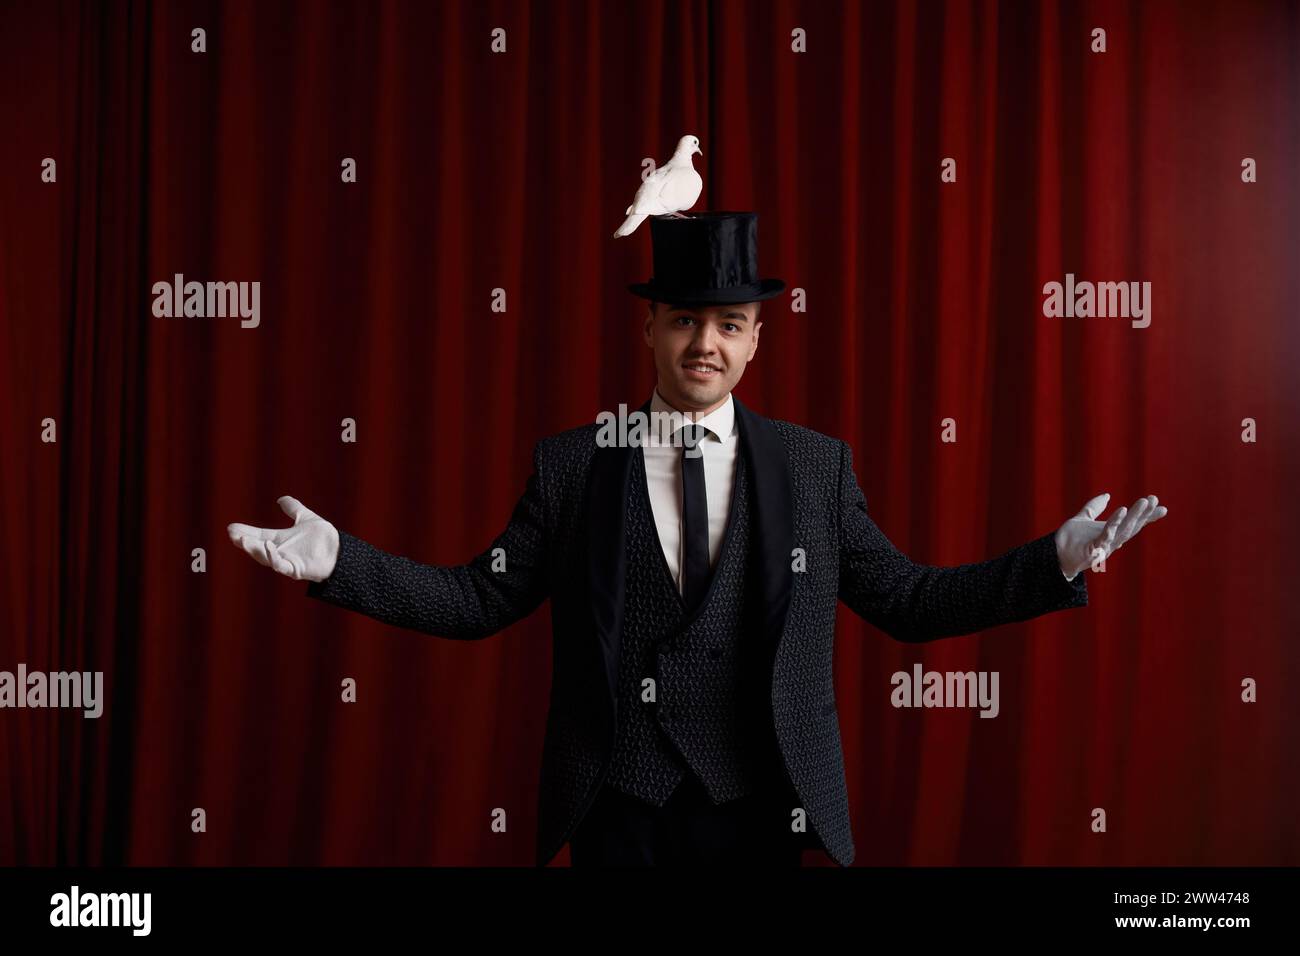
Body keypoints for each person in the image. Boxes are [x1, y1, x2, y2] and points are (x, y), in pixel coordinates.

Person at [227, 211, 1167, 867]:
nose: (704, 344)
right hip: (618, 810)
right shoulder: (574, 465)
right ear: (649, 331)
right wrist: (341, 562)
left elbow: (909, 603)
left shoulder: (813, 469)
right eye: (684, 321)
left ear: (757, 340)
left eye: (728, 324)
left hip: (761, 807)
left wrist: (1054, 561)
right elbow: (480, 600)